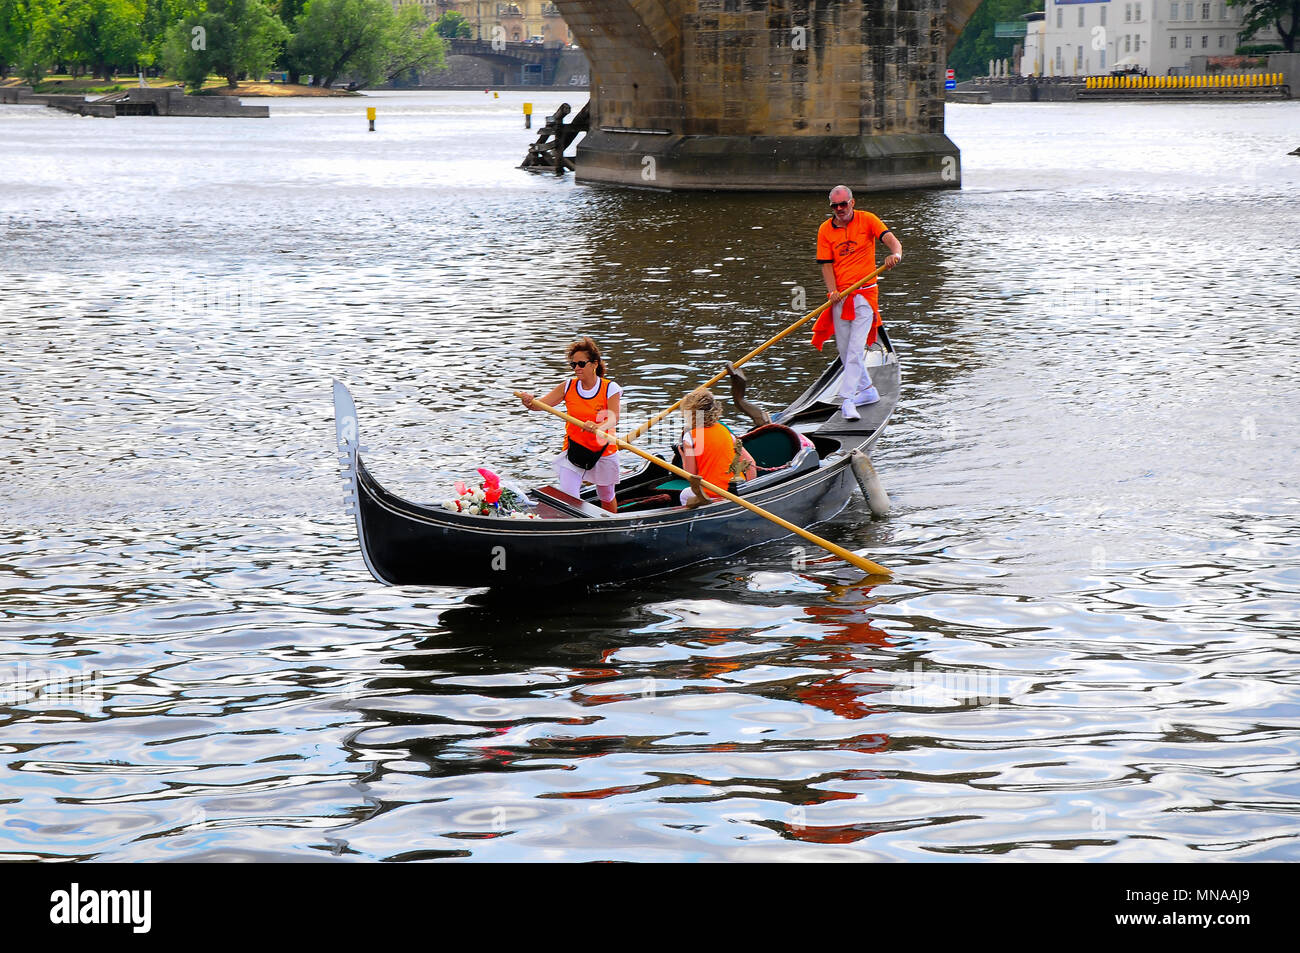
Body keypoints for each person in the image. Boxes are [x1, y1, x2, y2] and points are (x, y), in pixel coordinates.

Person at [813, 184, 903, 421]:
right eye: (835, 206)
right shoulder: (825, 229)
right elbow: (826, 264)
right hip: (841, 296)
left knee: (854, 349)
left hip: (864, 295)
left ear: (852, 202)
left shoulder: (868, 220)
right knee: (845, 351)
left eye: (844, 204)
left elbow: (894, 243)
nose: (840, 209)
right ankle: (868, 391)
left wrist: (895, 256)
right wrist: (832, 291)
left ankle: (847, 399)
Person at [519, 336, 621, 513]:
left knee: (606, 495)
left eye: (581, 364)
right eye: (573, 365)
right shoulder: (568, 386)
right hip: (574, 449)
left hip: (603, 450)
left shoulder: (610, 388)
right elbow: (540, 405)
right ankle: (578, 529)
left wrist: (599, 427)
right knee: (569, 498)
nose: (576, 368)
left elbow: (613, 418)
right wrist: (528, 401)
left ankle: (614, 526)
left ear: (594, 364)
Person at [677, 388, 757, 508]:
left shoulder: (690, 437)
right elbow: (751, 464)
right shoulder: (726, 432)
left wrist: (683, 457)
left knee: (684, 495)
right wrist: (748, 492)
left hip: (712, 494)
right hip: (736, 490)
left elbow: (692, 476)